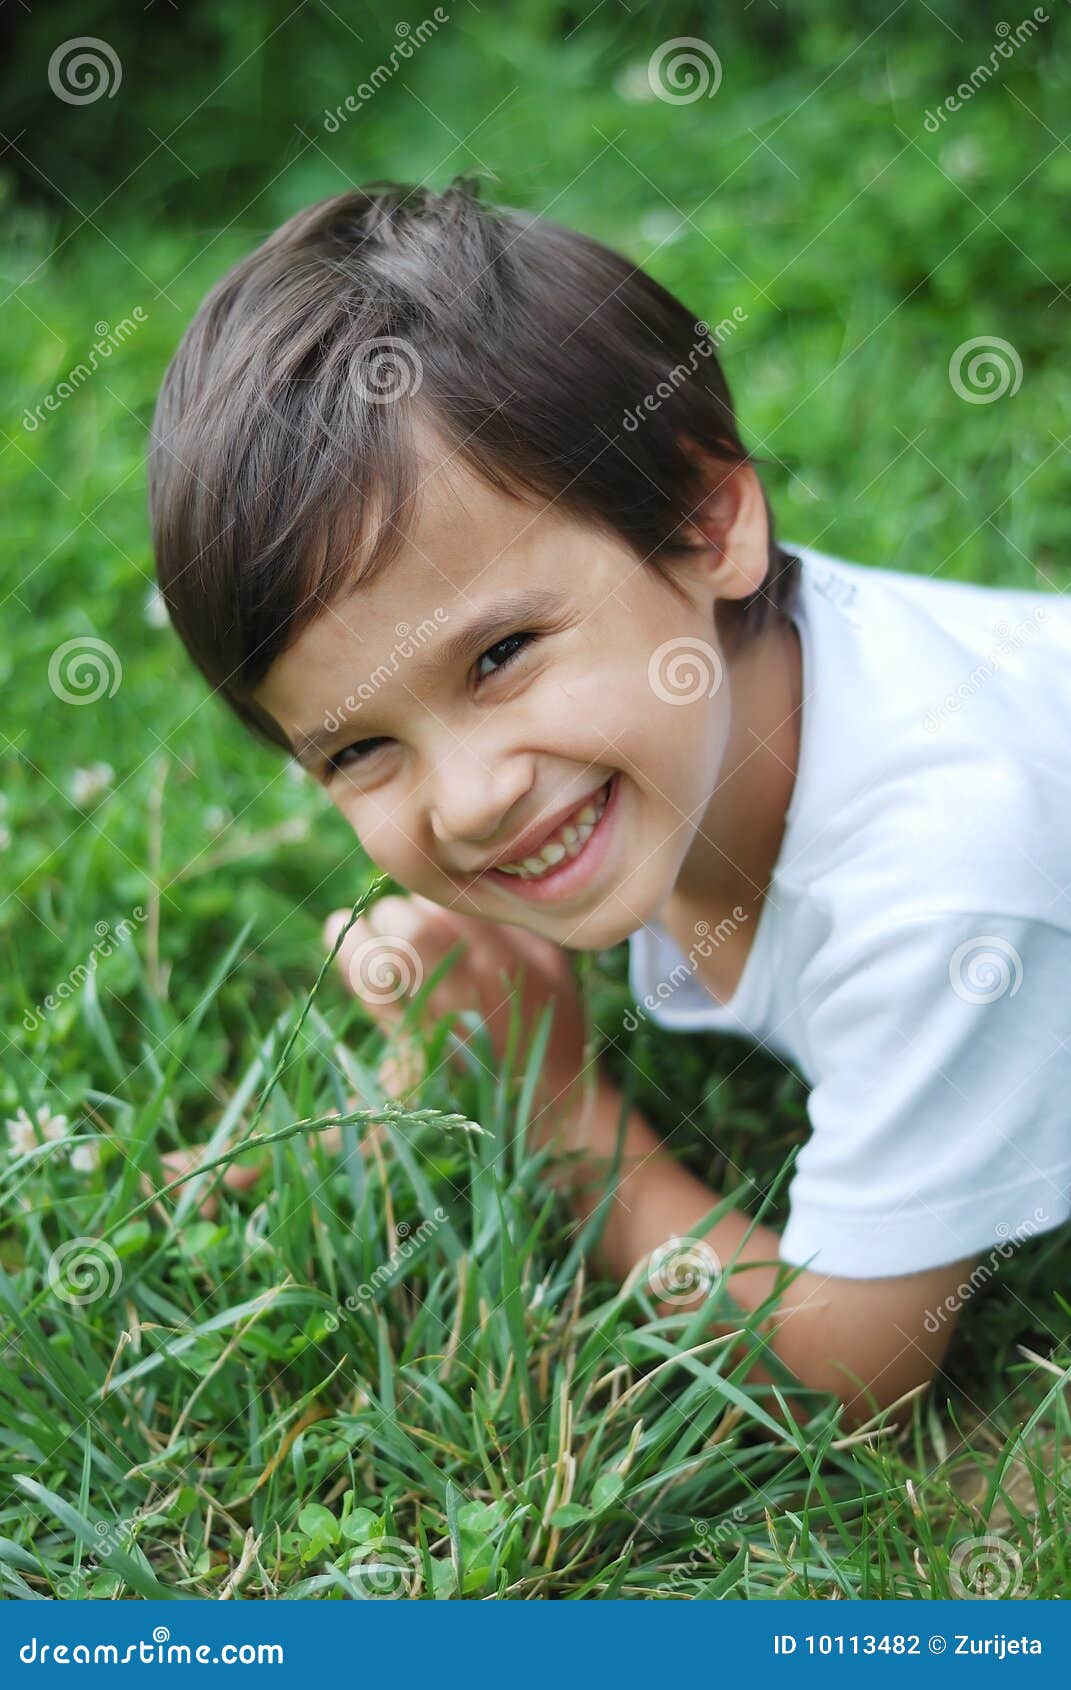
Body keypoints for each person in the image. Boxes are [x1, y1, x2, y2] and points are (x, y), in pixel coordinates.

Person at [148, 180, 1071, 1431]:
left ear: (708, 522)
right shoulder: (680, 703)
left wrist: (559, 1108)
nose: (470, 802)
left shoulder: (942, 875)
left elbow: (850, 1370)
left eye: (500, 656)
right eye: (360, 747)